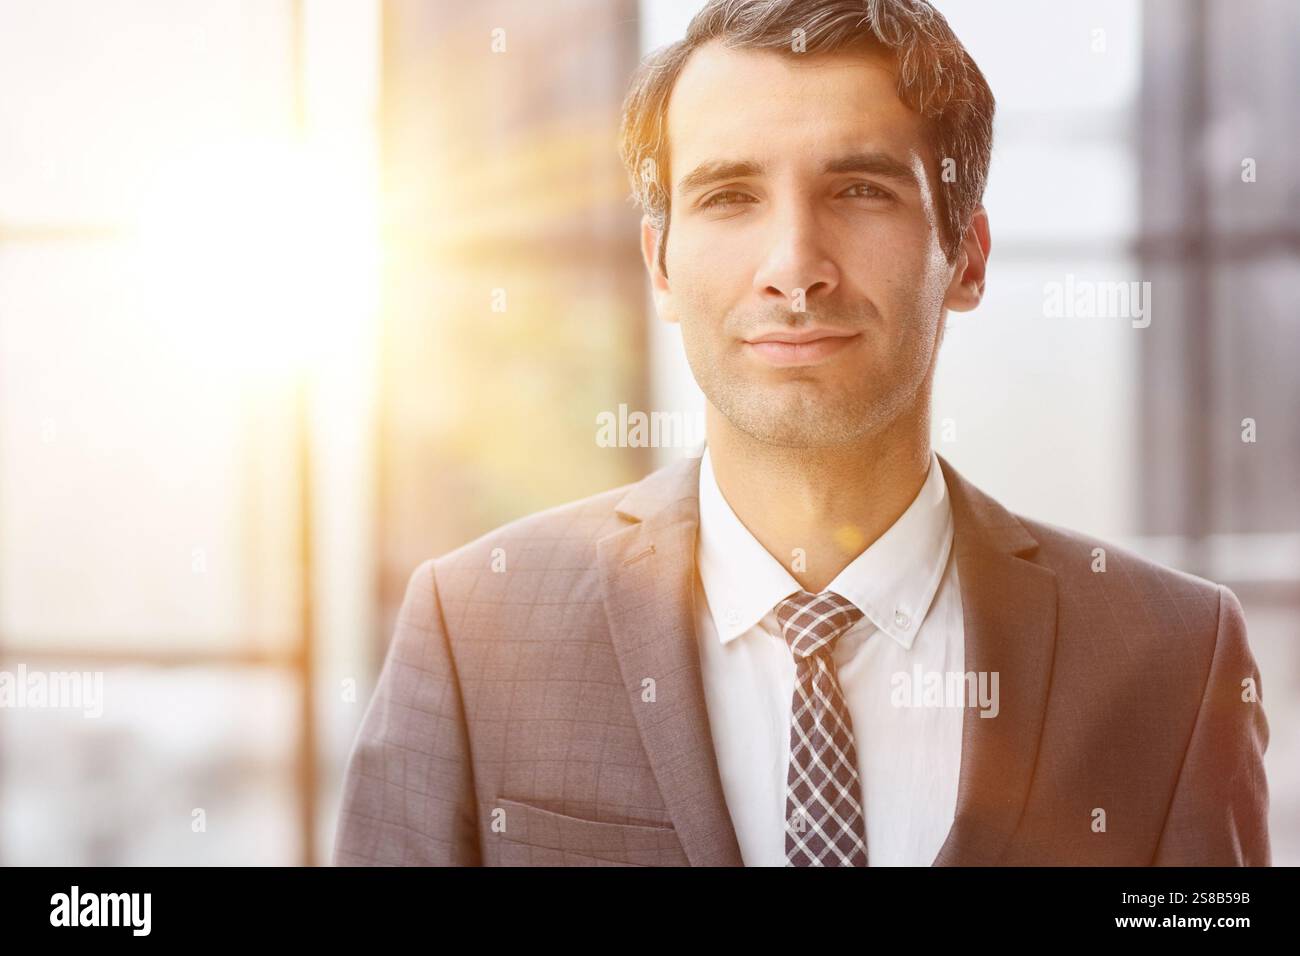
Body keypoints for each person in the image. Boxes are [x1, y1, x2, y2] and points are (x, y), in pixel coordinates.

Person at [332, 0, 1270, 866]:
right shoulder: (473, 635)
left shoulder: (1176, 663)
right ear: (659, 264)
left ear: (968, 257)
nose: (794, 268)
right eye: (729, 197)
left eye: (859, 190)